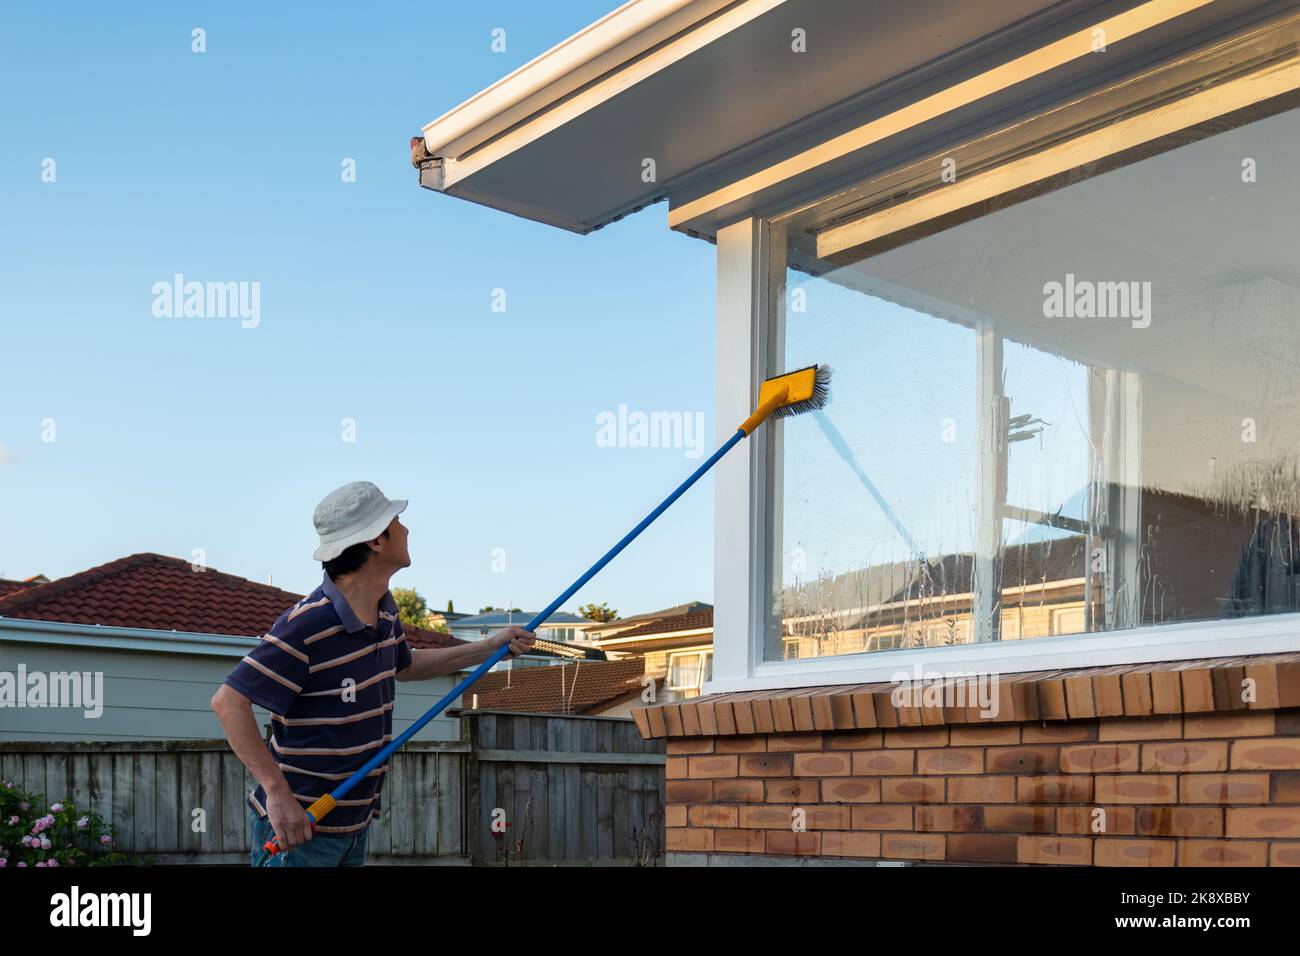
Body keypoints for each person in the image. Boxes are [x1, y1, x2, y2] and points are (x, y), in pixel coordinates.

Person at [210, 480, 534, 866]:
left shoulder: (384, 613)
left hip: (352, 825)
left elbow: (408, 666)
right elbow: (228, 702)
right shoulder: (308, 625)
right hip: (298, 831)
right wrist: (277, 795)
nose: (407, 529)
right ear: (376, 541)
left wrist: (488, 647)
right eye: (397, 521)